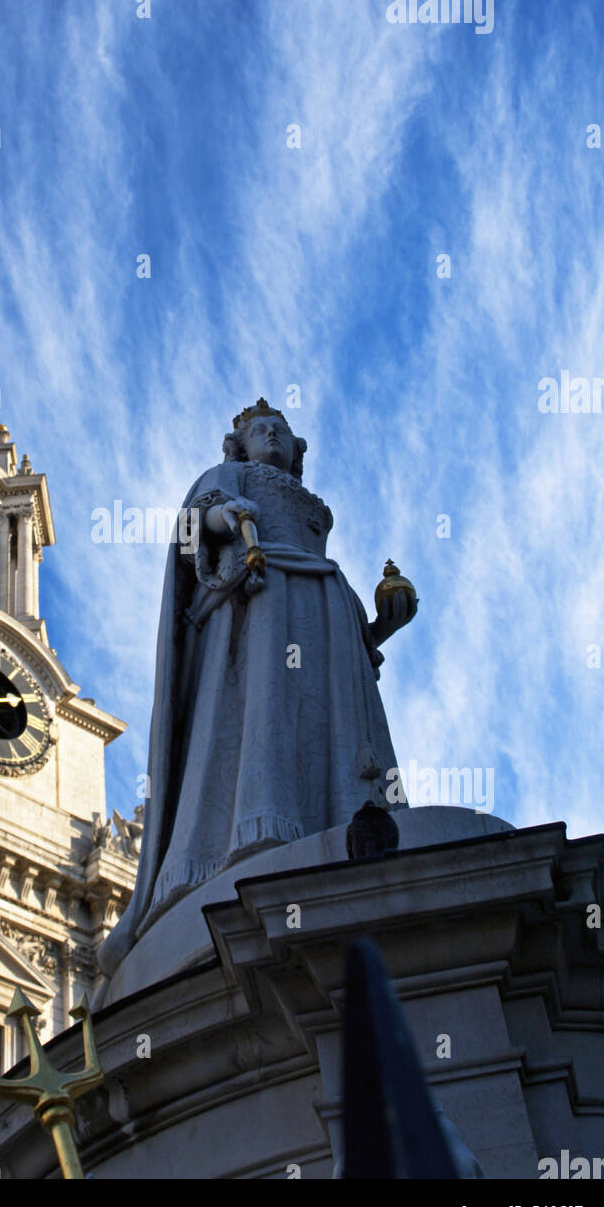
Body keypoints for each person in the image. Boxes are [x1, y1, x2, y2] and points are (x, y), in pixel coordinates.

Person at [98, 399, 417, 981]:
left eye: (281, 430)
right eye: (258, 431)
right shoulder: (229, 478)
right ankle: (266, 828)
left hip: (324, 601)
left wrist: (378, 627)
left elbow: (358, 660)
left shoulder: (312, 511)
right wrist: (227, 518)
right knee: (265, 715)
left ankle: (345, 822)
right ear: (237, 447)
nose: (271, 434)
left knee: (335, 721)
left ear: (299, 451)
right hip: (261, 597)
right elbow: (195, 524)